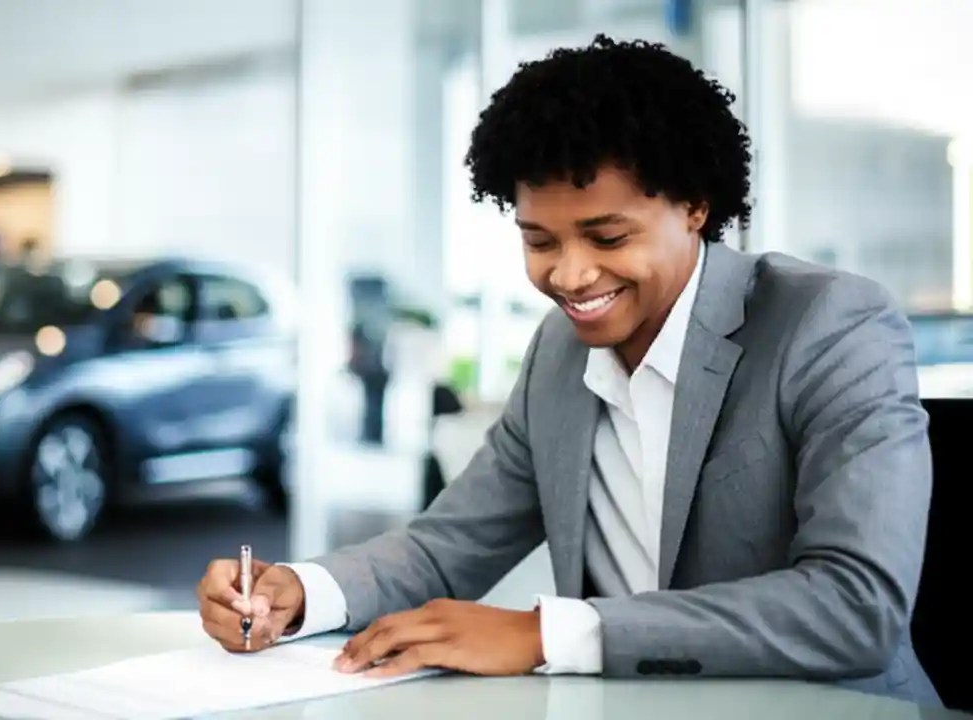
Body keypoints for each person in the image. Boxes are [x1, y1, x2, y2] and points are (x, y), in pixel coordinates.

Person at [196, 35, 940, 706]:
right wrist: (299, 592)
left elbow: (856, 607)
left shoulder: (831, 325)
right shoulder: (559, 352)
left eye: (607, 236)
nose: (571, 275)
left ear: (695, 207)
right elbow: (446, 545)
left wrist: (549, 635)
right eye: (539, 241)